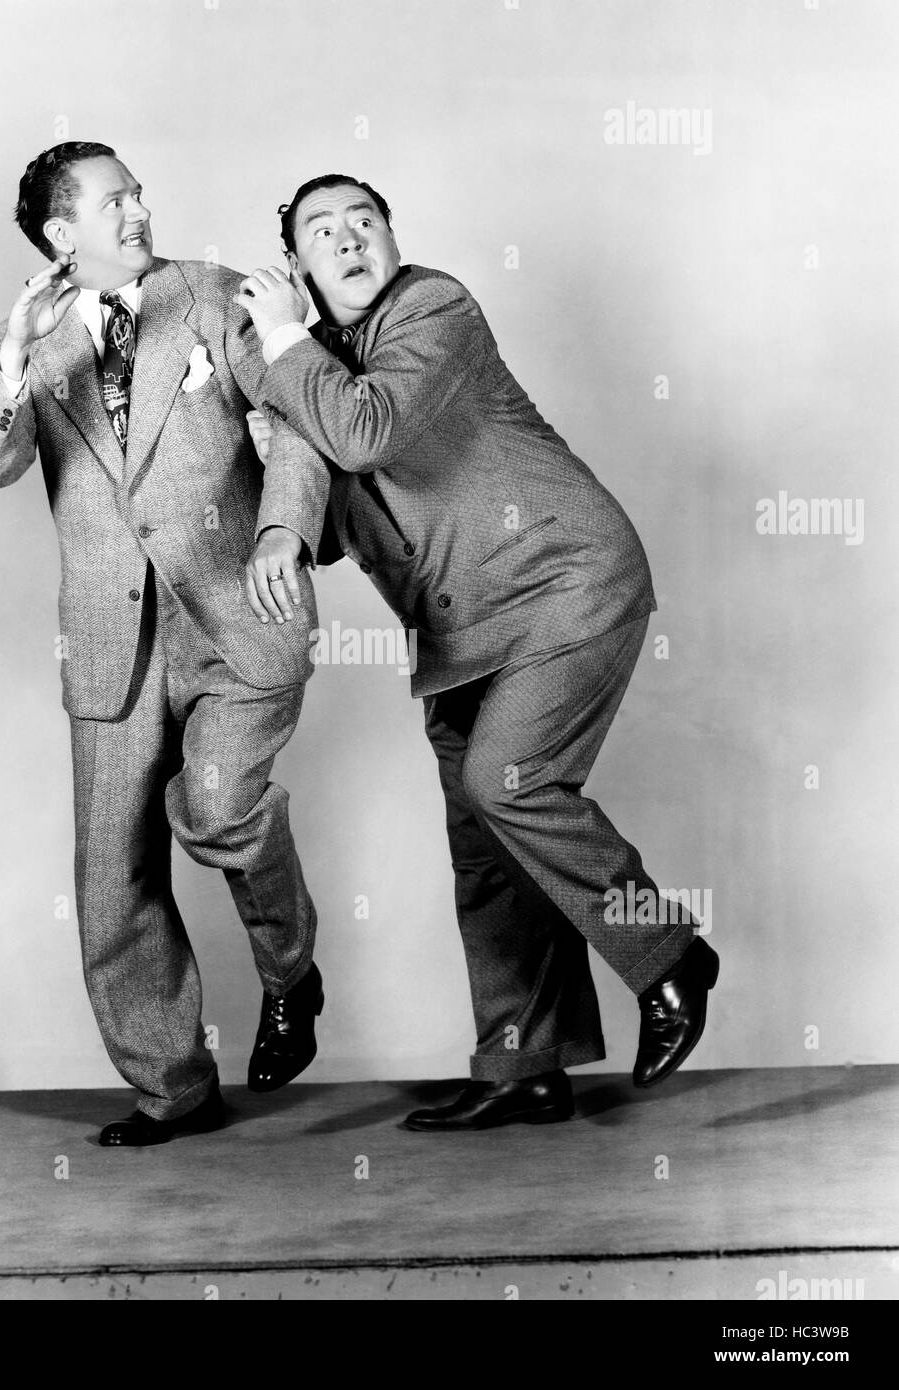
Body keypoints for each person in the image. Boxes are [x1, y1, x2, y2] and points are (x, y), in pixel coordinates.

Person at [238, 174, 719, 1131]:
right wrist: (269, 455)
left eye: (363, 221)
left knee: (513, 782)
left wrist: (283, 345)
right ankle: (523, 1065)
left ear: (391, 236)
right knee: (486, 847)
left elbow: (366, 428)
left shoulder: (432, 305)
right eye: (321, 230)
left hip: (563, 582)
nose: (347, 240)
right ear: (298, 262)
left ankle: (666, 956)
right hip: (460, 632)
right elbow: (338, 527)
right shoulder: (318, 366)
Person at [0, 143, 327, 1147]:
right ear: (60, 232)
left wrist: (286, 527)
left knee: (214, 803)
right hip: (108, 640)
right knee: (112, 879)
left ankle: (290, 968)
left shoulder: (208, 295)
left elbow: (295, 416)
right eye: (114, 201)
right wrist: (8, 367)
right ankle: (175, 1089)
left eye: (138, 192)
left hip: (236, 610)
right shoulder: (21, 340)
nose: (138, 209)